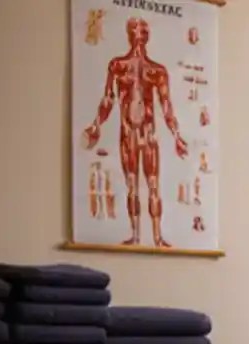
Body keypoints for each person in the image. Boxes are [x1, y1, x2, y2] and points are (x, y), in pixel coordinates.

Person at [82, 16, 187, 248]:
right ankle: (137, 236)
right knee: (132, 186)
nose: (139, 34)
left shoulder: (157, 71)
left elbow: (166, 106)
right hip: (128, 133)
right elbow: (108, 99)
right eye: (135, 30)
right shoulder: (118, 66)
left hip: (148, 134)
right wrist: (96, 124)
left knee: (152, 185)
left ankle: (157, 237)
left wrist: (176, 135)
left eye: (143, 30)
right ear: (129, 34)